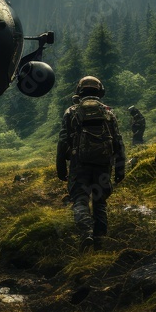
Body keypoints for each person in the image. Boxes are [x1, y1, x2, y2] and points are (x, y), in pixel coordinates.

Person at [56, 76, 126, 253]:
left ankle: (86, 232)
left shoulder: (71, 111)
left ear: (80, 91)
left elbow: (63, 141)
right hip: (103, 164)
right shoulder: (108, 112)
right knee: (100, 202)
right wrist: (120, 169)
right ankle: (100, 243)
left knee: (80, 199)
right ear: (99, 91)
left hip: (79, 165)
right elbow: (118, 142)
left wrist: (61, 166)